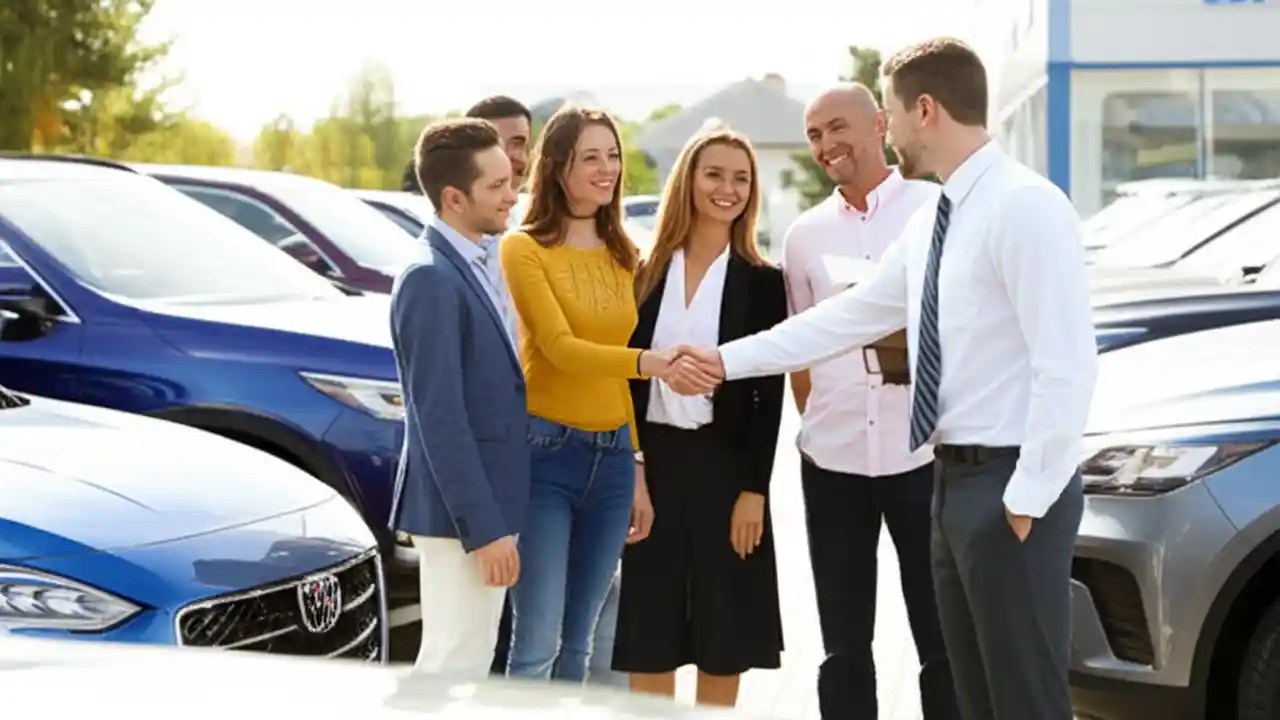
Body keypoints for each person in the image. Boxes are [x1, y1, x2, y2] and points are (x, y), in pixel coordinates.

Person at [669, 37, 1098, 720]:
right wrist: (723, 361)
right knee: (978, 699)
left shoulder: (1025, 206)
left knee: (1025, 701)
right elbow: (844, 319)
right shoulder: (939, 222)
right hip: (951, 480)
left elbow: (1067, 362)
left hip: (1008, 486)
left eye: (891, 114)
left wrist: (1028, 499)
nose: (889, 131)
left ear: (924, 109)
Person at [783, 84, 959, 719]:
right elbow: (799, 351)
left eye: (837, 127)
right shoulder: (803, 236)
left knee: (941, 638)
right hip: (832, 464)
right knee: (843, 642)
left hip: (925, 455)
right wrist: (825, 423)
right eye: (813, 135)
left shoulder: (937, 207)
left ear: (880, 124)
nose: (827, 145)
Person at [499, 104, 688, 682]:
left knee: (581, 645)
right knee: (536, 645)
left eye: (613, 156)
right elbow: (557, 347)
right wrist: (649, 363)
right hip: (544, 459)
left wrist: (635, 467)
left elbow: (610, 376)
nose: (606, 169)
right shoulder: (523, 248)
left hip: (610, 463)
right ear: (557, 167)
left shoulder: (623, 252)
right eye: (590, 158)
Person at [611, 125, 786, 708]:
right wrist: (633, 470)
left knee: (724, 625)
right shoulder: (642, 272)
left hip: (725, 469)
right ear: (688, 179)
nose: (727, 189)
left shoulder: (763, 282)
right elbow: (624, 379)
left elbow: (768, 393)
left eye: (741, 178)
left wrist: (753, 491)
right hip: (654, 466)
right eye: (714, 174)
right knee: (649, 625)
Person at [387, 117, 526, 679]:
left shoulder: (476, 260)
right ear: (453, 197)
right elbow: (438, 417)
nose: (512, 196)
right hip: (462, 518)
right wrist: (485, 529)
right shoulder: (430, 278)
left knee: (462, 657)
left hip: (482, 506)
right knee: (453, 663)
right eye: (496, 186)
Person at [403, 95, 531, 200]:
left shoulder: (532, 221)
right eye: (495, 144)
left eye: (518, 144)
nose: (509, 155)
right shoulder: (425, 220)